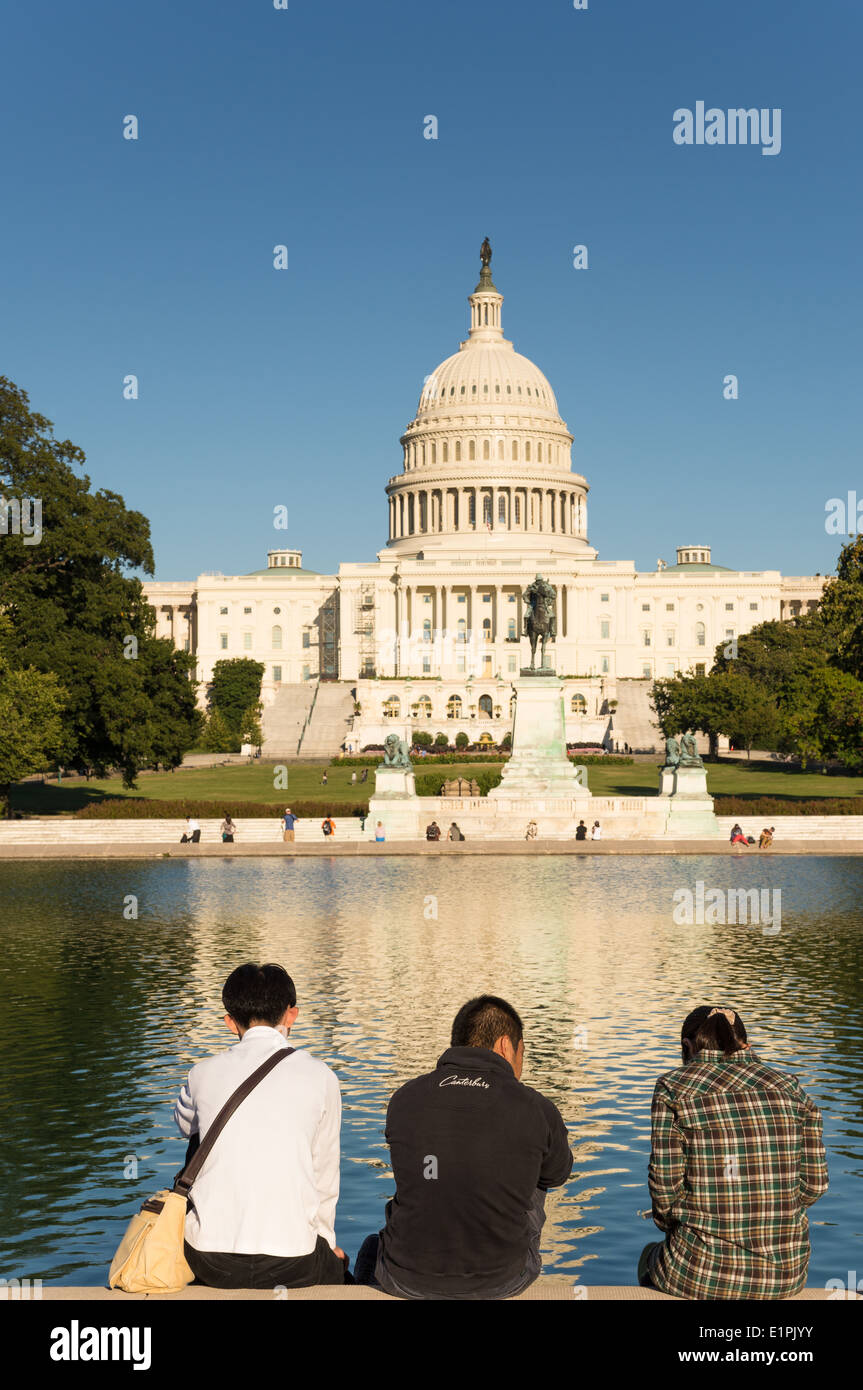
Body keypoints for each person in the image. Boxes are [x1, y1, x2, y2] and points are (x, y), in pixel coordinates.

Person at [355, 995, 572, 1299]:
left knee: (372, 1245)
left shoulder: (404, 1099)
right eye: (522, 1052)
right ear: (505, 1046)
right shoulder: (536, 1108)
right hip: (502, 1280)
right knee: (538, 1171)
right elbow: (558, 1174)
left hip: (405, 1277)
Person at [173, 962, 347, 1289]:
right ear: (290, 1015)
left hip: (208, 1259)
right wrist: (324, 1243)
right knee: (343, 1265)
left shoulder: (202, 1073)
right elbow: (325, 1176)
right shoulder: (322, 1076)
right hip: (294, 1261)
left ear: (229, 1022)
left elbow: (184, 1126)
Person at [640, 1005, 828, 1300]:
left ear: (687, 1047)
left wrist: (672, 1224)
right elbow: (814, 1186)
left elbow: (664, 1190)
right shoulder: (791, 1088)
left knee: (648, 1258)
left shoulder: (673, 1088)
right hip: (785, 1276)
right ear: (746, 1045)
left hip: (697, 1273)